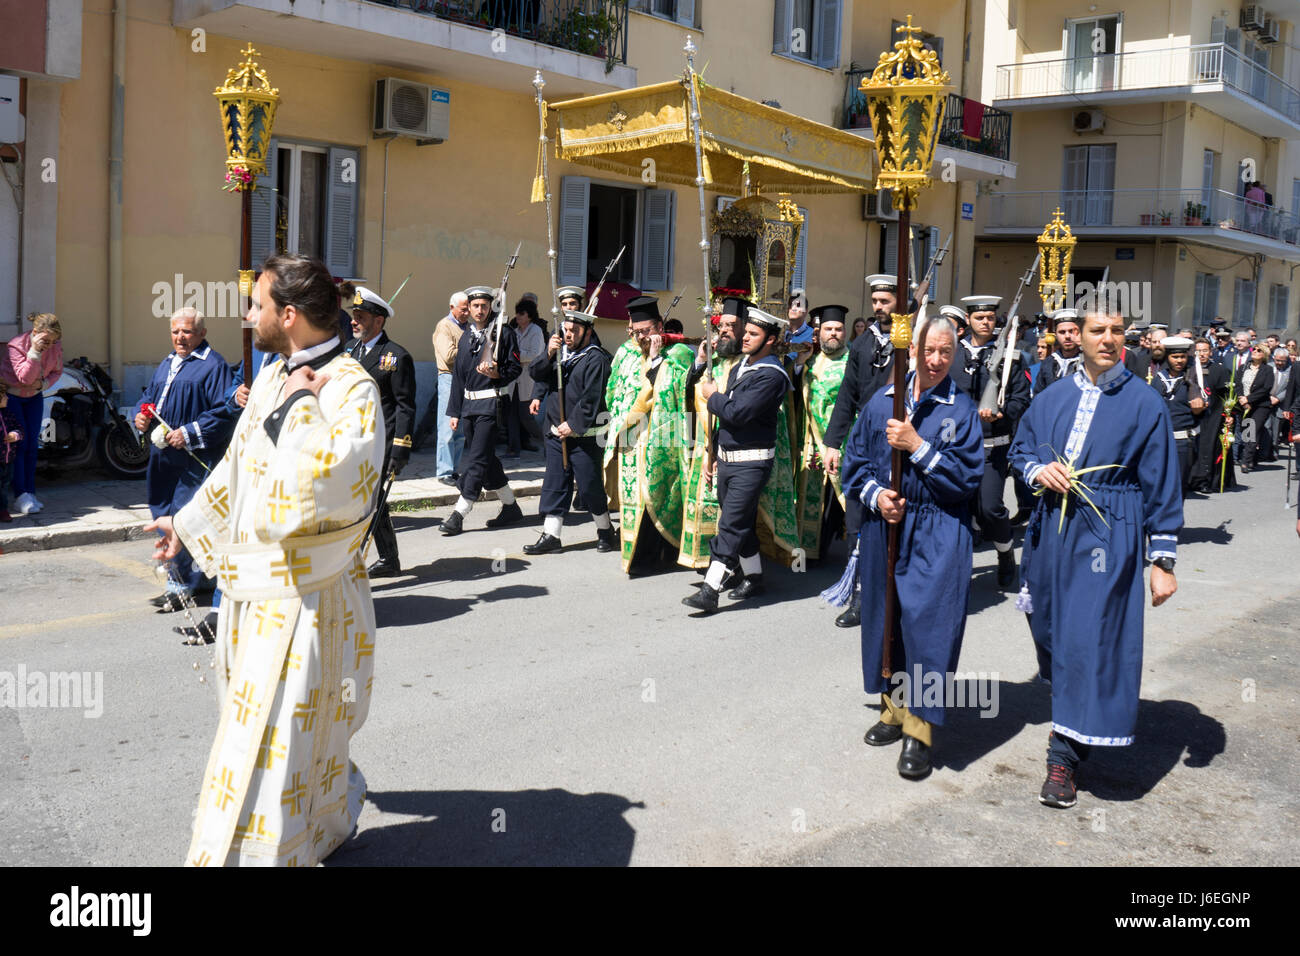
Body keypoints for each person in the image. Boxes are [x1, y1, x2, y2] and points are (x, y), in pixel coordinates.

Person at [147, 252, 384, 866]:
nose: (248, 317)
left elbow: (324, 487)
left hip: (310, 601)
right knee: (257, 733)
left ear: (289, 313)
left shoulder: (352, 388)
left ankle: (281, 852)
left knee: (287, 743)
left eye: (256, 305)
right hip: (254, 592)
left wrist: (302, 409)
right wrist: (185, 522)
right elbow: (237, 469)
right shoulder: (277, 374)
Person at [1010, 310, 1182, 809]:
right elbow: (1021, 452)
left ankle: (1063, 758)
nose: (1108, 339)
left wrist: (1163, 561)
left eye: (1116, 331)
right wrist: (1039, 470)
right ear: (1077, 339)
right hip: (1050, 533)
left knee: (1088, 638)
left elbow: (1162, 482)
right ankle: (1070, 698)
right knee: (1047, 629)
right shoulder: (1053, 397)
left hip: (1110, 530)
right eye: (1097, 331)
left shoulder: (1145, 403)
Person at [842, 313, 983, 779]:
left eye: (946, 351)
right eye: (929, 350)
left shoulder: (960, 409)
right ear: (912, 352)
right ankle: (895, 708)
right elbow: (854, 467)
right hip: (887, 526)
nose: (937, 359)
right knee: (887, 622)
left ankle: (920, 730)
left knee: (928, 626)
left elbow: (967, 480)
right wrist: (878, 497)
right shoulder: (882, 403)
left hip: (939, 528)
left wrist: (918, 445)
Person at [684, 306, 794, 613]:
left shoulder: (772, 376)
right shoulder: (741, 367)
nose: (745, 338)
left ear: (771, 340)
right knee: (741, 521)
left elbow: (737, 413)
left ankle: (711, 588)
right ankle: (755, 577)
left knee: (730, 524)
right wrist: (714, 454)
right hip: (728, 459)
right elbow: (727, 423)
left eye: (753, 334)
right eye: (746, 332)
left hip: (752, 463)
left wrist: (712, 395)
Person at [132, 308, 231, 610]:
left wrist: (189, 433)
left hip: (193, 458)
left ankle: (179, 585)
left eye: (187, 331)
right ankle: (201, 579)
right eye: (175, 331)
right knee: (162, 511)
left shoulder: (213, 366)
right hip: (163, 458)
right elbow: (149, 396)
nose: (180, 337)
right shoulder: (166, 363)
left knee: (182, 518)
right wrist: (140, 413)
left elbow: (224, 412)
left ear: (201, 333)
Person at [821, 274, 903, 628]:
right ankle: (859, 595)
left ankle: (899, 591)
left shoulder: (911, 338)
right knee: (856, 517)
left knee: (898, 516)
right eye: (875, 302)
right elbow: (847, 395)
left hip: (901, 440)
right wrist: (832, 442)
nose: (879, 307)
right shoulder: (861, 344)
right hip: (864, 439)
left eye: (885, 301)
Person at [606, 295, 695, 574]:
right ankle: (640, 557)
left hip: (664, 441)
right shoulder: (626, 353)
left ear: (659, 326)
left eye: (647, 331)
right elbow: (614, 391)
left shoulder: (679, 353)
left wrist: (655, 361)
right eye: (637, 331)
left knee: (662, 496)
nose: (642, 337)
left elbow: (675, 392)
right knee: (636, 500)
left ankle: (669, 551)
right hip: (631, 438)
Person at [949, 295, 1031, 589]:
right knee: (953, 508)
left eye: (990, 317)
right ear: (968, 321)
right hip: (954, 447)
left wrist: (1002, 413)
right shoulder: (951, 353)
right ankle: (953, 566)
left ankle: (1005, 553)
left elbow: (1021, 397)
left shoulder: (1011, 357)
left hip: (992, 445)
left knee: (989, 508)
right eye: (979, 318)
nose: (986, 322)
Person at [523, 305, 617, 555]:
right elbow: (537, 374)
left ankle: (606, 530)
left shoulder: (596, 358)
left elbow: (592, 398)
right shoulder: (559, 353)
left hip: (583, 435)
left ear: (587, 332)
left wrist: (573, 424)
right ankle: (551, 535)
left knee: (590, 486)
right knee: (555, 483)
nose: (568, 335)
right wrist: (548, 353)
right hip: (555, 431)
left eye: (574, 330)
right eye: (565, 330)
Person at [441, 286, 523, 536]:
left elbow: (515, 368)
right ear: (469, 308)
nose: (479, 310)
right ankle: (511, 507)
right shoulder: (466, 336)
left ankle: (459, 513)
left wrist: (498, 374)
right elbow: (458, 376)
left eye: (484, 306)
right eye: (474, 306)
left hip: (491, 405)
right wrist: (454, 411)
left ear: (491, 307)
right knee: (487, 460)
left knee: (476, 459)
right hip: (469, 408)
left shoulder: (503, 334)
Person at [346, 286, 416, 577]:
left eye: (360, 316)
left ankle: (361, 559)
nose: (353, 321)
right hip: (353, 441)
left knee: (371, 502)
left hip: (382, 442)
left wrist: (400, 448)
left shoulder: (395, 356)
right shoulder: (351, 353)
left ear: (379, 320)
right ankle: (389, 559)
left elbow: (405, 406)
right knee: (369, 502)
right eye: (354, 315)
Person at [795, 305, 850, 560]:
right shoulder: (812, 362)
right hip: (811, 443)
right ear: (820, 333)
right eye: (829, 329)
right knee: (811, 497)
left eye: (838, 329)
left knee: (835, 499)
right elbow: (795, 395)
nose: (834, 334)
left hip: (842, 442)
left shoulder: (853, 362)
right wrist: (798, 366)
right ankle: (809, 550)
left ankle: (827, 546)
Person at [0, 312, 63, 515]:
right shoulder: (16, 346)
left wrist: (43, 384)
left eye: (54, 341)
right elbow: (25, 378)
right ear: (35, 333)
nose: (49, 346)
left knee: (32, 446)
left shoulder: (55, 346)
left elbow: (57, 371)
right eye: (46, 340)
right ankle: (20, 495)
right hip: (13, 398)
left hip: (34, 397)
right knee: (20, 444)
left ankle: (30, 492)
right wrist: (35, 351)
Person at [1149, 336, 1200, 495]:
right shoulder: (1158, 379)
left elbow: (1201, 408)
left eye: (1183, 357)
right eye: (1175, 357)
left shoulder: (1194, 380)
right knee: (1157, 486)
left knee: (1178, 488)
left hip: (1182, 441)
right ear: (1167, 357)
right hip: (1160, 440)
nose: (1179, 360)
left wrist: (1199, 403)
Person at [431, 291, 470, 484]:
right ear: (452, 307)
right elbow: (448, 356)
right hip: (449, 378)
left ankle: (454, 469)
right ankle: (444, 471)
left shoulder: (467, 327)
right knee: (447, 427)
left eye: (468, 308)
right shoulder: (444, 326)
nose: (467, 312)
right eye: (463, 309)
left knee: (460, 430)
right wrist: (471, 351)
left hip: (464, 379)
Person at [1188, 337, 1231, 494]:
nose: (1201, 354)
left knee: (1208, 447)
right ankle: (1191, 479)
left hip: (1212, 415)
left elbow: (1226, 395)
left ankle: (1206, 480)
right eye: (1198, 351)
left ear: (1210, 352)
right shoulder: (1189, 369)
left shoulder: (1219, 370)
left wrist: (1228, 414)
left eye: (1204, 350)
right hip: (1193, 415)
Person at [505, 297, 546, 458]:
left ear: (529, 315)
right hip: (514, 379)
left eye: (521, 314)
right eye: (517, 313)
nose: (518, 317)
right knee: (512, 415)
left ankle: (547, 439)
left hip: (528, 378)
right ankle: (513, 448)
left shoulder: (536, 331)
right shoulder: (514, 332)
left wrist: (516, 356)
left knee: (526, 416)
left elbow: (535, 354)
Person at [1235, 343, 1274, 473]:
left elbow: (1266, 388)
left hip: (1261, 405)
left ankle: (1245, 461)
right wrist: (1242, 398)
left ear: (1264, 355)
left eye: (1259, 350)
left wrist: (1249, 399)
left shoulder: (1267, 370)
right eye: (1254, 349)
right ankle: (1253, 457)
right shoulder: (1243, 367)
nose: (1255, 352)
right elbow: (1238, 384)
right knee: (1247, 430)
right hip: (1244, 404)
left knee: (1252, 430)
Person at [1033, 309, 1082, 392]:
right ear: (1055, 335)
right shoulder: (1048, 363)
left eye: (1071, 331)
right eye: (1062, 332)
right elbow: (1039, 396)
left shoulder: (1090, 363)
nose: (1067, 336)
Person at [0, 382, 23, 522]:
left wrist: (15, 435)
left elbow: (19, 428)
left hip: (8, 459)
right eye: (4, 396)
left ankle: (3, 509)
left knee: (4, 485)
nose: (7, 398)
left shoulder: (8, 414)